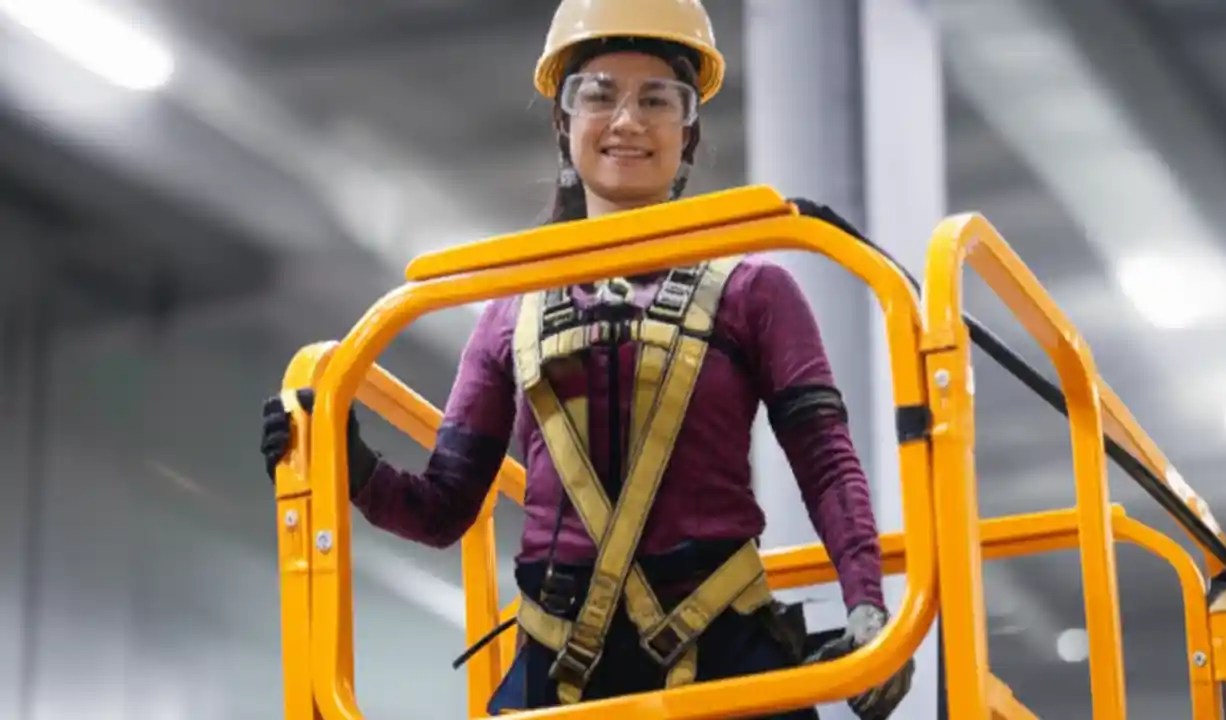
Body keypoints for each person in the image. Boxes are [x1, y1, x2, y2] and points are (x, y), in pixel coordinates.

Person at [260, 1, 914, 718]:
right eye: (598, 94)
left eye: (657, 99)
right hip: (560, 672)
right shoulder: (511, 309)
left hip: (725, 662)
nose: (628, 121)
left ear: (689, 131)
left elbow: (826, 462)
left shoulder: (756, 291)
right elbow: (444, 508)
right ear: (563, 123)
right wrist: (347, 467)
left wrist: (868, 608)